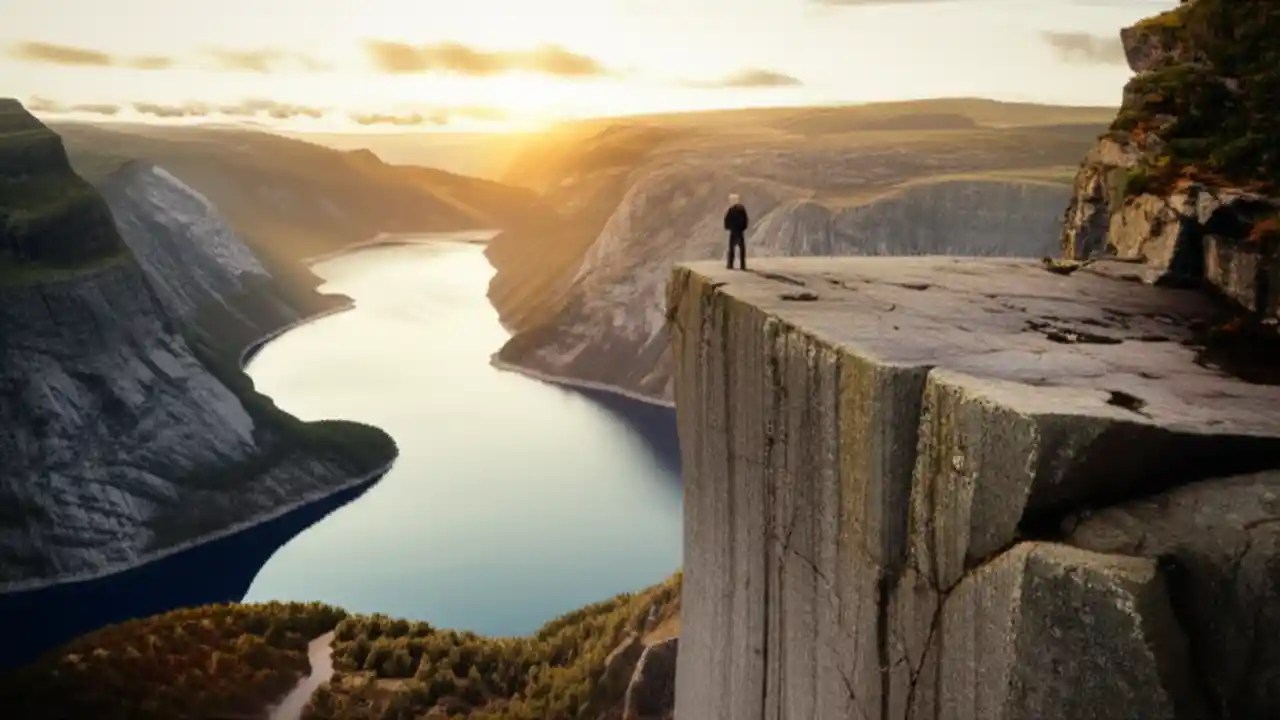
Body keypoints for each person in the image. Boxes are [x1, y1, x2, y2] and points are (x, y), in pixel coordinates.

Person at [723, 193, 749, 270]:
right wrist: (743, 228)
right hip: (740, 232)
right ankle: (742, 265)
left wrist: (728, 227)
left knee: (732, 249)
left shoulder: (731, 210)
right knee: (741, 249)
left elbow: (727, 220)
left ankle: (730, 264)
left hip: (734, 231)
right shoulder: (742, 209)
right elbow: (745, 220)